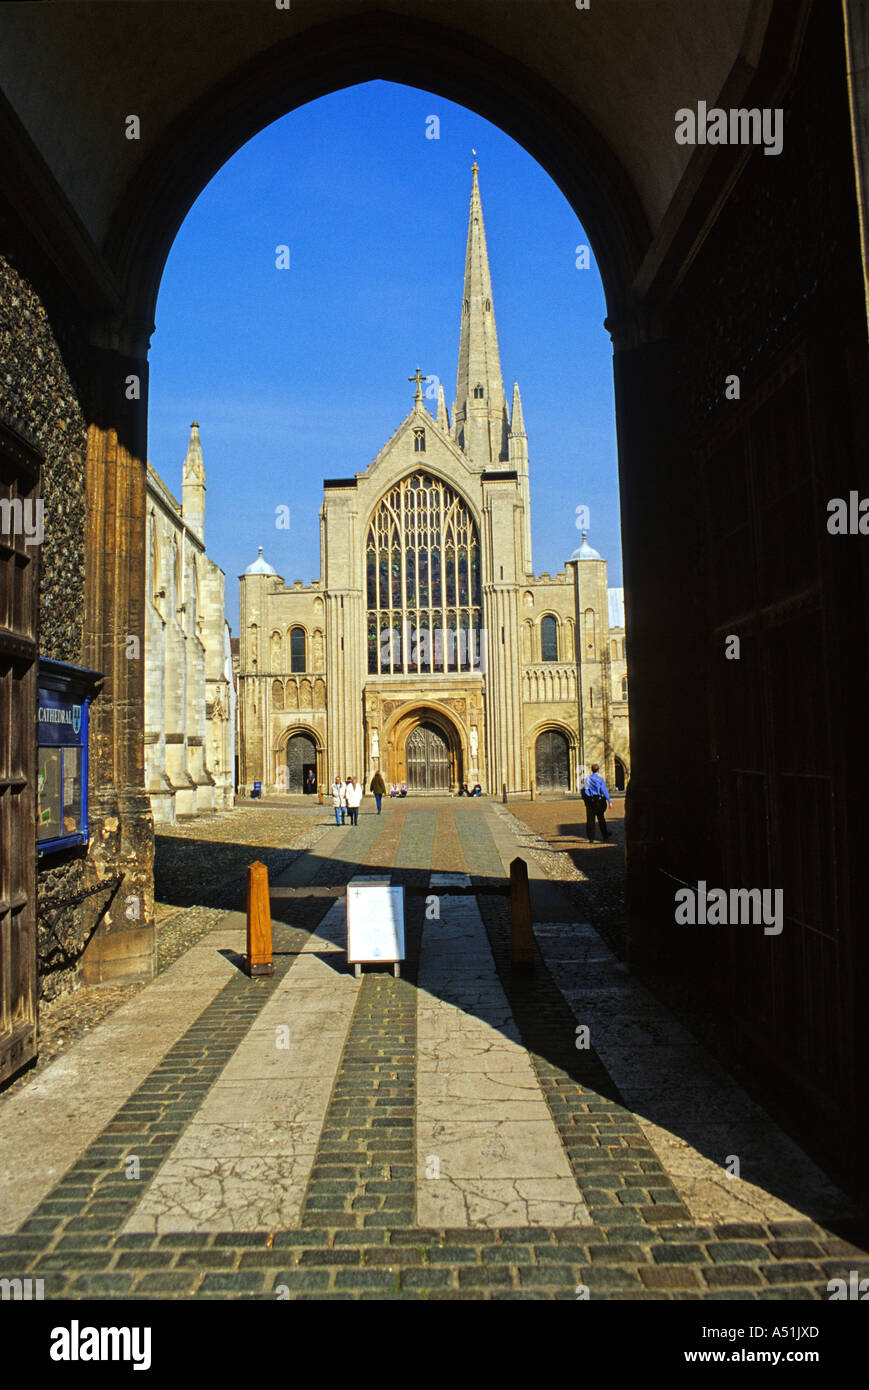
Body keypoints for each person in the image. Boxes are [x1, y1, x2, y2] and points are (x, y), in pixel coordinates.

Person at [583, 762, 611, 841]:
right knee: (601, 818)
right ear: (598, 770)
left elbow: (585, 791)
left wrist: (587, 799)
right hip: (599, 801)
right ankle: (605, 835)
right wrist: (609, 801)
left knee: (590, 820)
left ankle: (591, 838)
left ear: (591, 770)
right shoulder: (600, 779)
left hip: (590, 801)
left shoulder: (587, 779)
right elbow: (604, 791)